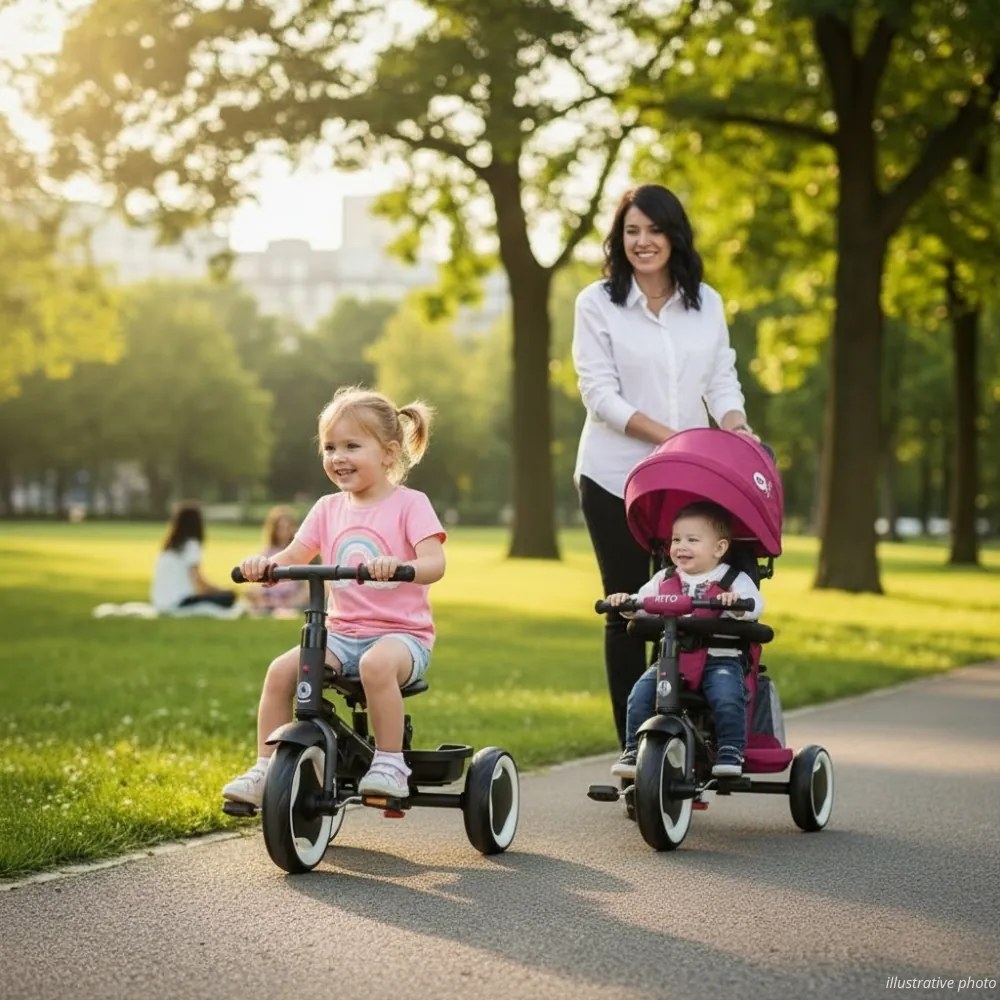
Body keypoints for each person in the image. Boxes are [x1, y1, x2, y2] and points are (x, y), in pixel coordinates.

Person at [571, 183, 756, 750]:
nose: (642, 241)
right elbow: (599, 395)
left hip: (691, 479)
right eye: (631, 231)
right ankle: (636, 746)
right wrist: (672, 439)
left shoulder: (706, 303)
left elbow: (721, 378)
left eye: (653, 229)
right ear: (618, 238)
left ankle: (694, 730)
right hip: (615, 477)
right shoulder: (597, 303)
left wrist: (736, 427)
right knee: (630, 608)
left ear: (674, 235)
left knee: (696, 602)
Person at [222, 386, 447, 806]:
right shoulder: (327, 508)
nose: (337, 457)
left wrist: (400, 565)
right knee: (280, 672)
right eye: (329, 447)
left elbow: (435, 563)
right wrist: (265, 566)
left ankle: (390, 763)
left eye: (351, 446)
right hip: (341, 636)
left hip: (401, 637)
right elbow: (293, 556)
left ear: (389, 453)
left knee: (376, 665)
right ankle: (266, 768)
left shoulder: (410, 504)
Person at [604, 501, 763, 779]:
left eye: (692, 540)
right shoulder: (664, 578)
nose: (681, 547)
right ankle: (633, 750)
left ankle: (730, 750)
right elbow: (641, 604)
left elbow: (755, 605)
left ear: (719, 548)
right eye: (676, 539)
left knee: (727, 696)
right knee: (640, 695)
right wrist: (626, 604)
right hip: (674, 658)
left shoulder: (732, 579)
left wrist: (736, 604)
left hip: (719, 658)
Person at [150, 501, 238, 614]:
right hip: (179, 601)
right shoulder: (191, 545)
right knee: (228, 596)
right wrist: (218, 590)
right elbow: (198, 580)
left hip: (160, 602)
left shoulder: (168, 548)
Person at [247, 505, 309, 617]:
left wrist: (293, 601)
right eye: (280, 528)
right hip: (269, 600)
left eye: (287, 527)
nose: (284, 532)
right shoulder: (266, 553)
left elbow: (305, 585)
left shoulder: (300, 552)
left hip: (293, 600)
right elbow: (255, 585)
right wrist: (265, 601)